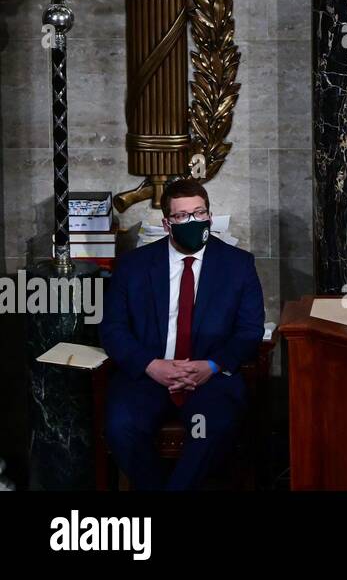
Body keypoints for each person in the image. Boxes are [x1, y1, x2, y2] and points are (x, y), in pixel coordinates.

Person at [100, 178, 265, 490]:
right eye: (182, 216)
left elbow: (249, 331)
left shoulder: (237, 265)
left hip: (208, 380)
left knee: (208, 429)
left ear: (209, 217)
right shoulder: (133, 266)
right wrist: (152, 365)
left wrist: (211, 366)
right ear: (166, 224)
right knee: (122, 428)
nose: (193, 221)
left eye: (200, 213)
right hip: (148, 377)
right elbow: (113, 329)